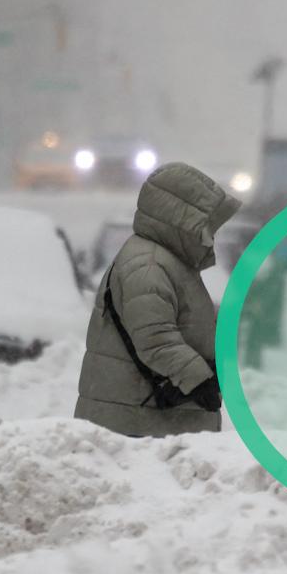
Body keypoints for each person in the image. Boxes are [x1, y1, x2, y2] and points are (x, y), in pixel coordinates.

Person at [76, 162, 242, 437]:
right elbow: (156, 339)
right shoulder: (148, 264)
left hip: (145, 419)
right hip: (137, 426)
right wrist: (201, 382)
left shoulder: (166, 261)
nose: (211, 235)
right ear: (184, 219)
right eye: (207, 225)